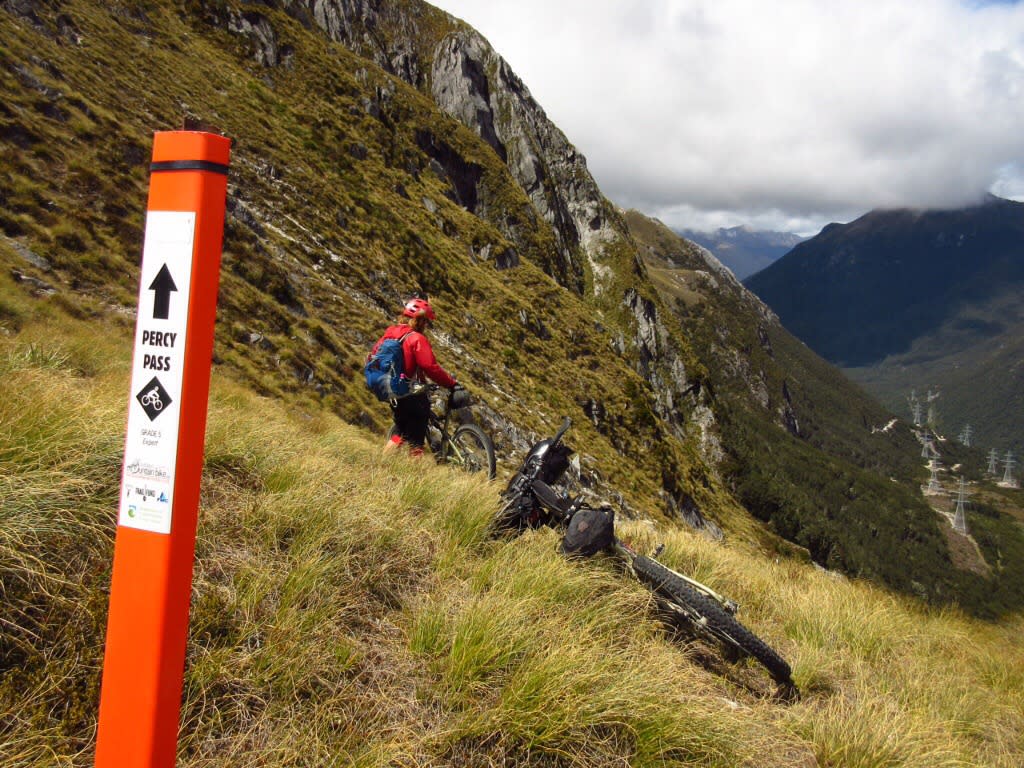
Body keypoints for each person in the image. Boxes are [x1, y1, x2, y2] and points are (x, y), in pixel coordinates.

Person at [370, 296, 458, 454]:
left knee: (400, 431)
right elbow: (429, 366)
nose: (426, 325)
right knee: (416, 439)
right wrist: (451, 383)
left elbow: (374, 354)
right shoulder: (417, 338)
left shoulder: (391, 333)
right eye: (425, 321)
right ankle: (416, 474)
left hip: (391, 389)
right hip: (409, 392)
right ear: (419, 320)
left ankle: (381, 462)